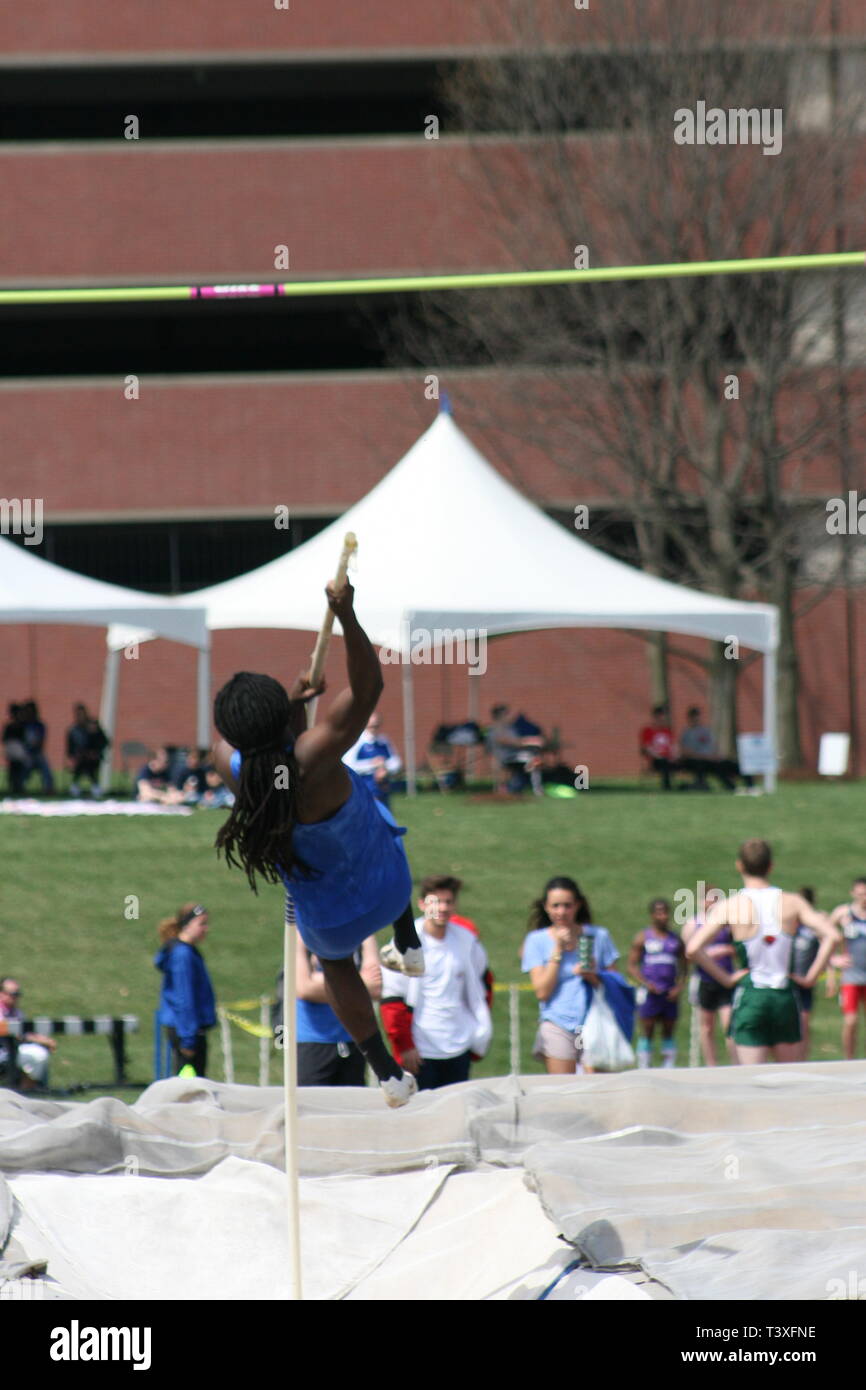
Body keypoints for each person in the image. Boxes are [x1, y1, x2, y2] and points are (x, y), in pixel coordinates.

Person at [211, 578, 422, 1109]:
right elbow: (369, 686)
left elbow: (253, 751)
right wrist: (347, 615)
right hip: (389, 887)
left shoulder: (232, 768)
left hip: (330, 921)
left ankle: (386, 1073)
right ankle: (409, 940)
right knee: (382, 822)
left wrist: (288, 707)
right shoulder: (316, 754)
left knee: (336, 969)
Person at [685, 839, 840, 1064]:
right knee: (789, 1079)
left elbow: (692, 948)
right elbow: (833, 936)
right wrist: (809, 979)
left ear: (739, 866)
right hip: (784, 996)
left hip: (751, 995)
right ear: (771, 866)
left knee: (750, 1082)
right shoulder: (793, 902)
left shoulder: (731, 905)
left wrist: (726, 979)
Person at [379, 878, 492, 1090]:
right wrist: (404, 1046)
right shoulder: (405, 942)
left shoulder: (467, 941)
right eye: (436, 902)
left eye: (448, 902)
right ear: (422, 904)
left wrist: (476, 1032)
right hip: (420, 1052)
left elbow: (483, 986)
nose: (442, 908)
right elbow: (391, 1000)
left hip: (458, 1047)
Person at [521, 876, 621, 1075]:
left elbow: (615, 985)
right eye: (555, 906)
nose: (562, 912)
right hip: (558, 1022)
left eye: (567, 905)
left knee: (599, 1088)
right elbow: (542, 992)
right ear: (546, 907)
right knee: (564, 1090)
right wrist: (557, 950)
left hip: (594, 1021)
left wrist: (593, 975)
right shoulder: (536, 941)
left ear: (578, 905)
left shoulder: (598, 936)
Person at [272, 932, 382, 1086]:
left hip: (354, 1039)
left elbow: (376, 988)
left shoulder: (363, 931)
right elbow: (303, 988)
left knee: (351, 1106)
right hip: (311, 1041)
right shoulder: (302, 929)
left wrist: (317, 981)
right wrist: (358, 983)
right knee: (310, 1105)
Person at [154, 903, 217, 1076]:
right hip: (187, 1031)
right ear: (187, 925)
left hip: (186, 1028)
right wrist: (188, 1040)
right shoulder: (183, 955)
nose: (206, 929)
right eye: (202, 923)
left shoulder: (185, 951)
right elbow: (184, 998)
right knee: (189, 1089)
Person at [682, 882, 737, 1067]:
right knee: (706, 1027)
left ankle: (735, 1062)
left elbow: (738, 948)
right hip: (705, 980)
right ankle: (711, 1065)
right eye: (708, 899)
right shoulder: (693, 924)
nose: (711, 903)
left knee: (729, 1023)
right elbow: (687, 956)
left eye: (715, 899)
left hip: (726, 979)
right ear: (701, 902)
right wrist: (709, 953)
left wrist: (726, 949)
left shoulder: (727, 924)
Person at [627, 899, 686, 1068]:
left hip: (669, 992)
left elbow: (684, 967)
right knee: (648, 1028)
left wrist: (679, 986)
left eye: (665, 912)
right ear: (652, 915)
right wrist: (645, 983)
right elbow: (632, 965)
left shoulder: (676, 939)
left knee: (669, 1029)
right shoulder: (643, 937)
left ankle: (669, 1065)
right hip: (650, 992)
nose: (663, 916)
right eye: (659, 912)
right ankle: (644, 1064)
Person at [827, 876, 866, 1060]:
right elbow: (824, 933)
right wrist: (833, 959)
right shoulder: (844, 913)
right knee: (850, 1021)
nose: (863, 898)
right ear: (853, 893)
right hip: (851, 975)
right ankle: (849, 1059)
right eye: (860, 894)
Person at [677, 706, 753, 792]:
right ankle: (732, 788)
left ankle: (750, 786)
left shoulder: (706, 731)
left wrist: (717, 756)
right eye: (694, 716)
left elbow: (714, 746)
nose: (696, 719)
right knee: (717, 768)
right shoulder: (687, 733)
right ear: (689, 718)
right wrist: (705, 757)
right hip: (699, 761)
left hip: (712, 759)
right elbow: (685, 751)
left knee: (733, 764)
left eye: (697, 716)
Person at [0, 977, 57, 1090]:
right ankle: (26, 1092)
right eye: (12, 994)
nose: (15, 997)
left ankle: (32, 1089)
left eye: (17, 994)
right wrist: (40, 1040)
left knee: (40, 1052)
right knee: (37, 1055)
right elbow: (11, 1032)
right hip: (3, 1053)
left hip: (12, 1051)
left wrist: (45, 1040)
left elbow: (26, 1032)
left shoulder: (16, 1012)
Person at [342, 712, 402, 808]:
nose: (374, 729)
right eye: (371, 726)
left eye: (376, 726)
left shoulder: (383, 741)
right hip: (363, 790)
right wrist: (372, 765)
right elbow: (348, 765)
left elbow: (396, 763)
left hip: (383, 790)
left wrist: (384, 766)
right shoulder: (357, 742)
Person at [791, 886, 821, 1061]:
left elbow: (827, 947)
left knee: (803, 1022)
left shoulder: (813, 928)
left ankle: (802, 1059)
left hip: (804, 982)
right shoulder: (788, 925)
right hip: (787, 981)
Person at [486, 704, 544, 795]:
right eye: (506, 714)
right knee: (534, 759)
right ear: (500, 715)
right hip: (505, 757)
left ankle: (517, 786)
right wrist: (530, 741)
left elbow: (517, 741)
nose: (508, 716)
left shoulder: (510, 728)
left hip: (515, 756)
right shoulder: (494, 729)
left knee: (534, 758)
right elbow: (506, 741)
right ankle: (537, 790)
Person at [66, 703, 108, 797]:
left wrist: (95, 734)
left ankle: (93, 786)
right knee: (82, 762)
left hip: (93, 756)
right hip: (79, 757)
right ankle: (77, 786)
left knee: (89, 763)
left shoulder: (93, 727)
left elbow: (105, 742)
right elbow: (70, 748)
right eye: (78, 714)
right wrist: (72, 757)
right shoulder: (73, 730)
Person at [639, 704, 676, 790]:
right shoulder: (648, 731)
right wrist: (659, 756)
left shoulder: (667, 731)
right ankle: (667, 787)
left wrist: (675, 755)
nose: (662, 719)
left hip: (669, 759)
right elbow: (647, 748)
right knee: (665, 762)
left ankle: (698, 785)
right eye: (660, 716)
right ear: (655, 717)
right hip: (656, 760)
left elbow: (673, 746)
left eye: (663, 716)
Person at [20, 700, 54, 793]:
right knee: (26, 762)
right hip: (24, 753)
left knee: (43, 762)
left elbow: (40, 742)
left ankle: (48, 787)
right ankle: (20, 785)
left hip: (36, 753)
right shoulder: (22, 725)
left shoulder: (39, 725)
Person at [2, 703, 29, 794]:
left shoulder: (23, 726)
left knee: (20, 768)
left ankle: (19, 785)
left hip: (21, 752)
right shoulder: (9, 726)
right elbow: (4, 739)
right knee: (13, 769)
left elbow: (26, 740)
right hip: (12, 752)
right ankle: (14, 786)